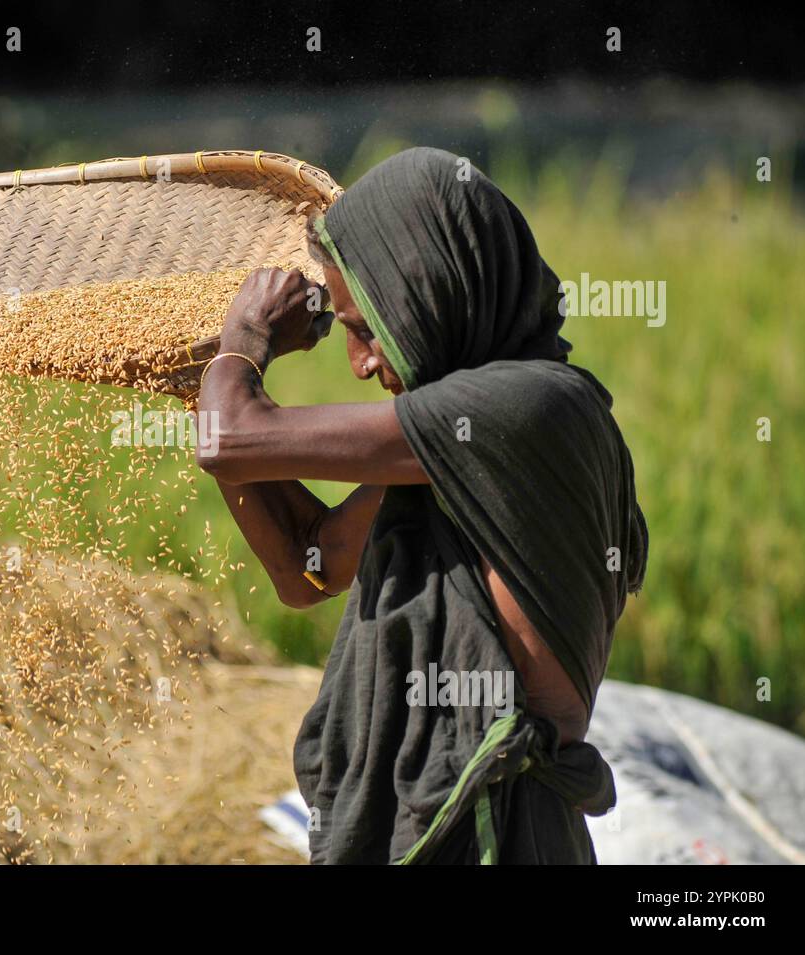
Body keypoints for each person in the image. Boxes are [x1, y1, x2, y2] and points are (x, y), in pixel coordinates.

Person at [195, 147, 648, 864]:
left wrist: (243, 346)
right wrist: (215, 384)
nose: (361, 363)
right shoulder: (453, 458)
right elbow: (305, 565)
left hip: (492, 831)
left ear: (432, 289)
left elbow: (230, 438)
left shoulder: (527, 409)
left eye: (366, 328)